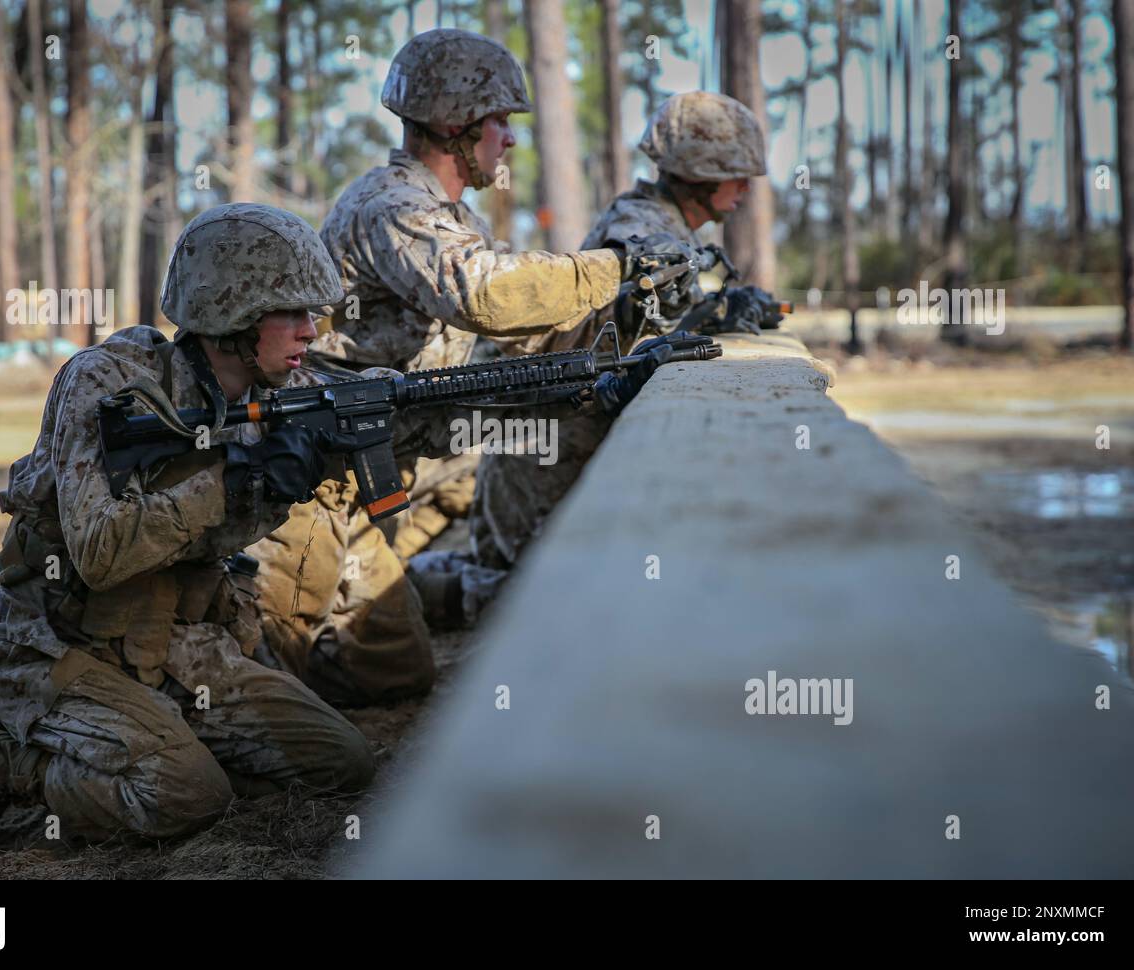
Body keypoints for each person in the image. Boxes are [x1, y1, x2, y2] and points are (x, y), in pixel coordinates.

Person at [0, 204, 375, 859]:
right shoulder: (109, 382)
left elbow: (390, 411)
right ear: (234, 314)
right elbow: (99, 553)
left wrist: (382, 416)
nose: (311, 329)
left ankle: (150, 745)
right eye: (292, 312)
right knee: (185, 796)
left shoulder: (277, 392)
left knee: (342, 764)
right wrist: (229, 479)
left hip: (175, 644)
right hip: (58, 643)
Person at [252, 28, 663, 706]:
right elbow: (487, 296)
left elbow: (521, 333)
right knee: (335, 667)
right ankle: (277, 628)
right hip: (319, 477)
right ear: (454, 124)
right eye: (500, 121)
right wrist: (614, 268)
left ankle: (414, 587)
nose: (511, 139)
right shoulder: (394, 207)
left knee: (397, 659)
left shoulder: (449, 217)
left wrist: (618, 350)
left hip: (387, 457)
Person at [469, 91, 777, 574]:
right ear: (701, 171)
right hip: (546, 453)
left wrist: (716, 309)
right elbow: (643, 282)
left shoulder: (672, 225)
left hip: (564, 441)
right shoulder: (642, 222)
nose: (746, 187)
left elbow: (653, 321)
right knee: (530, 594)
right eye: (737, 173)